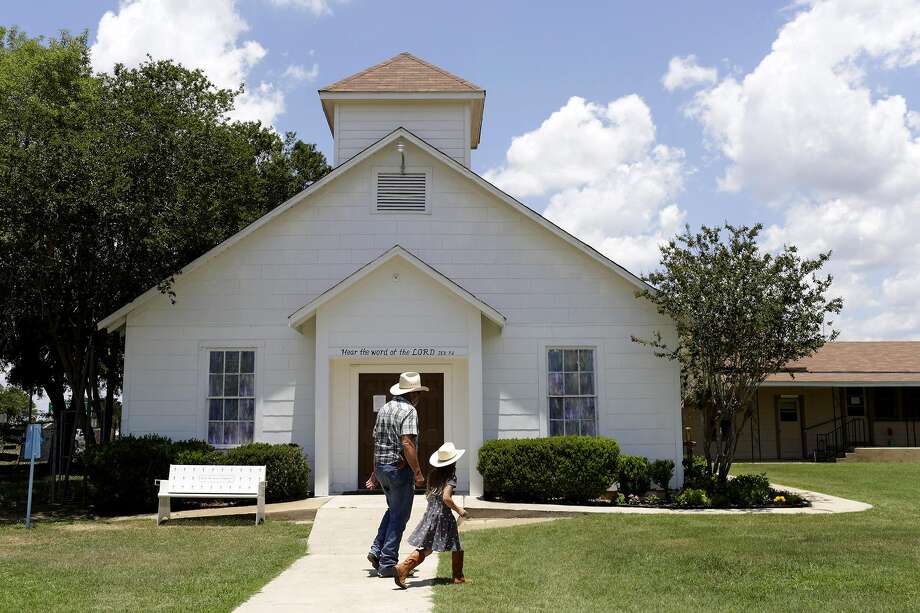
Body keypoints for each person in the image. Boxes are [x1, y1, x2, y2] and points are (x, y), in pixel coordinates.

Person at [365, 372, 428, 578]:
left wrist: (374, 472)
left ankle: (377, 551)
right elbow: (407, 442)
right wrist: (418, 472)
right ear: (413, 393)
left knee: (393, 510)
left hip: (382, 468)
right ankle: (387, 562)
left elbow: (376, 442)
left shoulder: (385, 408)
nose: (419, 395)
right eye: (418, 392)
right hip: (398, 470)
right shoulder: (409, 410)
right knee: (400, 516)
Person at [393, 441, 468, 589]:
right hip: (443, 516)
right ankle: (458, 577)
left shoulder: (433, 475)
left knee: (427, 547)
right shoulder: (451, 477)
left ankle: (403, 568)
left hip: (431, 515)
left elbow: (429, 495)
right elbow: (446, 497)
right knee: (456, 545)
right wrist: (459, 510)